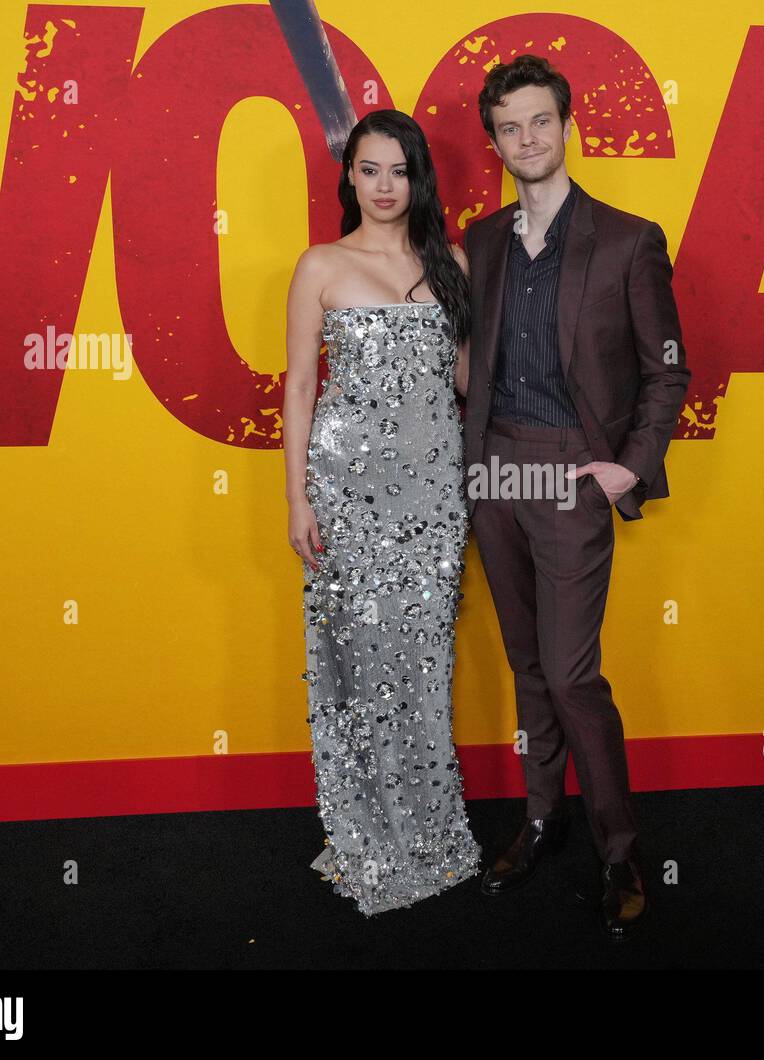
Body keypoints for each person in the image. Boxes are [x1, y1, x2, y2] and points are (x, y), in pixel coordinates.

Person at [462, 55, 691, 938]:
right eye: (510, 128)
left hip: (570, 472)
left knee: (570, 674)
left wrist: (627, 468)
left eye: (540, 122)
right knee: (525, 666)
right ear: (495, 142)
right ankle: (540, 818)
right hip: (494, 471)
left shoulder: (629, 240)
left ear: (567, 125)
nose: (527, 139)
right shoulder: (479, 242)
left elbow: (667, 373)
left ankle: (620, 848)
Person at [284, 109, 480, 916]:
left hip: (433, 496)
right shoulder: (320, 266)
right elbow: (298, 386)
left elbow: (471, 383)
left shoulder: (452, 262)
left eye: (399, 171)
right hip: (345, 498)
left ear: (418, 177)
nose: (385, 186)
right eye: (369, 170)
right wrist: (295, 494)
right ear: (350, 178)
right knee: (362, 670)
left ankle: (430, 836)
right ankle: (369, 835)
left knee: (424, 668)